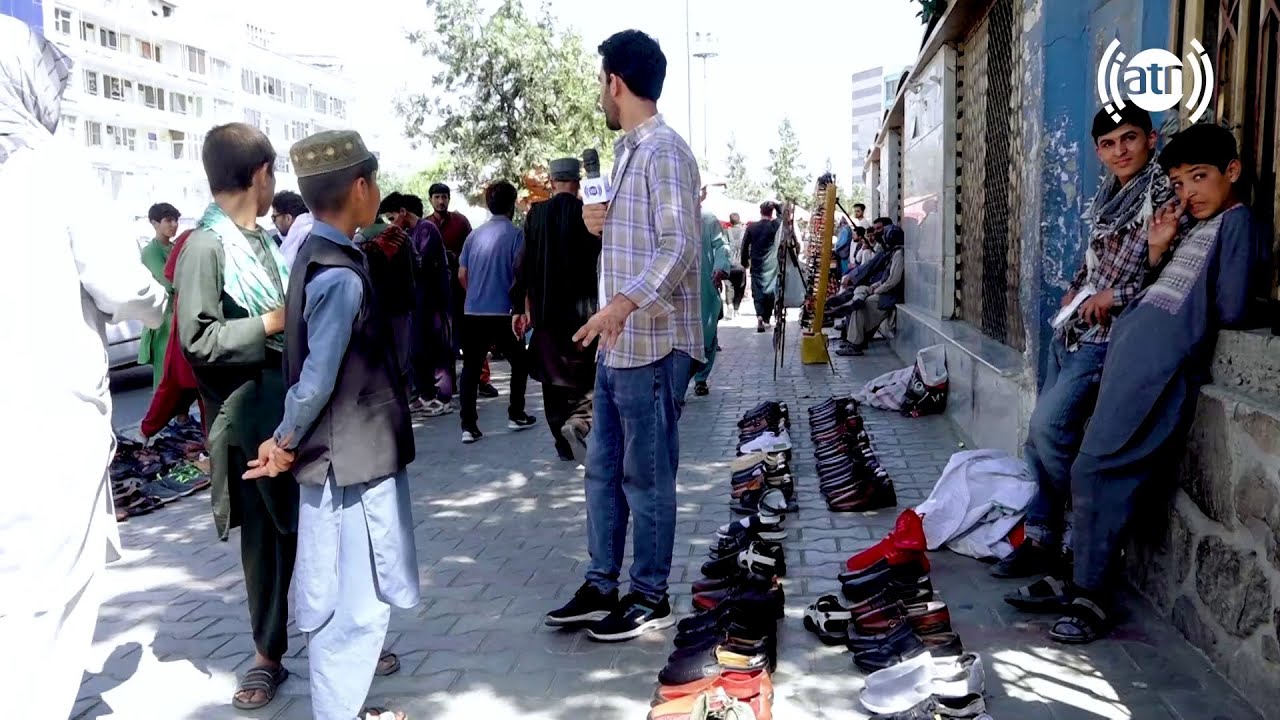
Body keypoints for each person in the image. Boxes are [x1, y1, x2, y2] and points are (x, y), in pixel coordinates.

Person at [0, 21, 166, 719]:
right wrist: (160, 301)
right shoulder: (50, 165)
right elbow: (125, 287)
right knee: (43, 600)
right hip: (44, 427)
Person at [1047, 123, 1268, 645]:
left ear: (1231, 172)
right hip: (1133, 350)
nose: (1188, 192)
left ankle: (1091, 597)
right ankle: (1081, 577)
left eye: (1200, 177)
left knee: (1097, 466)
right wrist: (1159, 245)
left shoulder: (1236, 223)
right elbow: (1148, 283)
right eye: (1179, 181)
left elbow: (1232, 306)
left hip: (1161, 363)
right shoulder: (1190, 224)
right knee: (1095, 460)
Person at [245, 130, 419, 720]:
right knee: (356, 603)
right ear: (362, 187)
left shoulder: (318, 254)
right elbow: (316, 380)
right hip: (350, 465)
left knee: (342, 595)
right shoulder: (341, 274)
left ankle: (342, 708)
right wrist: (282, 439)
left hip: (341, 459)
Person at [545, 29, 703, 643]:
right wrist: (598, 224)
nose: (600, 94)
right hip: (620, 346)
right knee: (602, 472)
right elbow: (639, 238)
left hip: (654, 345)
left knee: (647, 475)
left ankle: (650, 593)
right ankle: (601, 582)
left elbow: (680, 247)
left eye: (601, 82)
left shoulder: (664, 151)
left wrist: (621, 306)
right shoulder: (626, 155)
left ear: (616, 82)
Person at [993, 106, 1173, 580]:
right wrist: (1077, 286)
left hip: (1109, 335)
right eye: (1110, 144)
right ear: (1098, 151)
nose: (1121, 151)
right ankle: (1041, 538)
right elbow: (1095, 259)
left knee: (1048, 431)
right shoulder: (1110, 194)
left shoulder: (1165, 197)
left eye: (1130, 139)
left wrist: (1116, 295)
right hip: (1074, 328)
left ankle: (1076, 524)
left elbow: (1169, 279)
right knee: (1041, 438)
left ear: (1151, 139)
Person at [174, 122, 297, 711]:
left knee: (313, 528)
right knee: (267, 543)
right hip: (247, 414)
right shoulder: (206, 245)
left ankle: (343, 636)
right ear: (260, 174)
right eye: (274, 173)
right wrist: (269, 325)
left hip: (292, 406)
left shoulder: (264, 242)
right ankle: (266, 656)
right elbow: (196, 339)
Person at [513, 157, 601, 461]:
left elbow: (522, 265)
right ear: (577, 183)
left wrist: (517, 306)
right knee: (585, 377)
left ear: (552, 182)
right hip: (584, 314)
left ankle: (562, 444)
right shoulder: (588, 214)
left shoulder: (535, 215)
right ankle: (580, 422)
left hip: (547, 313)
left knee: (552, 380)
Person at [457, 180, 537, 443]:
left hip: (473, 312)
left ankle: (468, 426)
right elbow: (521, 276)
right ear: (512, 204)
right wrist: (525, 310)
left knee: (470, 368)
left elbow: (462, 274)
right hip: (504, 313)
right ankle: (516, 413)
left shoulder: (473, 236)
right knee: (520, 363)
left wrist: (475, 295)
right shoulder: (516, 236)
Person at [383, 192, 458, 416]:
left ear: (403, 213)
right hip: (418, 302)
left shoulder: (426, 230)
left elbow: (420, 263)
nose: (391, 223)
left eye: (392, 217)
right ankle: (425, 395)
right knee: (419, 351)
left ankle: (443, 398)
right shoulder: (408, 232)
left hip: (434, 302)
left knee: (439, 350)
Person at [354, 216, 416, 400]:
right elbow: (415, 265)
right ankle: (403, 397)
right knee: (402, 357)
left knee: (378, 358)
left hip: (374, 307)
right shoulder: (402, 236)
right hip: (400, 304)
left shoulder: (360, 238)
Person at [832, 216, 905, 357]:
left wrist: (876, 289)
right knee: (857, 299)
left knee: (859, 307)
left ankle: (856, 344)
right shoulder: (892, 252)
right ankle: (854, 337)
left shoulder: (898, 254)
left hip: (889, 295)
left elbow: (893, 281)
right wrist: (875, 287)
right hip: (882, 290)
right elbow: (885, 277)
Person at [688, 188, 731, 398]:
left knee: (707, 333)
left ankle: (700, 379)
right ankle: (676, 386)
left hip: (704, 284)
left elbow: (721, 246)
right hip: (673, 286)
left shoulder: (707, 219)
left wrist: (720, 268)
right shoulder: (664, 215)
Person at [139, 202, 182, 389]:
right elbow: (168, 282)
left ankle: (182, 418)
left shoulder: (176, 247)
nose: (174, 225)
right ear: (154, 223)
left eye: (176, 220)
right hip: (163, 319)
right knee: (165, 373)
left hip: (180, 315)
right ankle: (160, 419)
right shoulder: (151, 251)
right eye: (168, 220)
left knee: (181, 372)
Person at [742, 201, 781, 332]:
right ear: (771, 213)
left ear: (760, 212)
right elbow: (782, 218)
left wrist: (744, 262)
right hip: (771, 265)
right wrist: (777, 206)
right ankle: (766, 319)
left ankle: (759, 316)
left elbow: (744, 245)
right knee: (770, 292)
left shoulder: (751, 227)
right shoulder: (775, 226)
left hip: (756, 264)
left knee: (757, 291)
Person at [275, 191, 314, 266]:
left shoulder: (304, 241)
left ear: (288, 218)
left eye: (274, 218)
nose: (274, 223)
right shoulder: (315, 232)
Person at [725, 211, 747, 315]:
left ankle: (729, 305)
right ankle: (736, 308)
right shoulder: (744, 232)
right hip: (741, 264)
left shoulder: (726, 231)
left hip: (728, 264)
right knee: (740, 287)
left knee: (729, 285)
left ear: (730, 221)